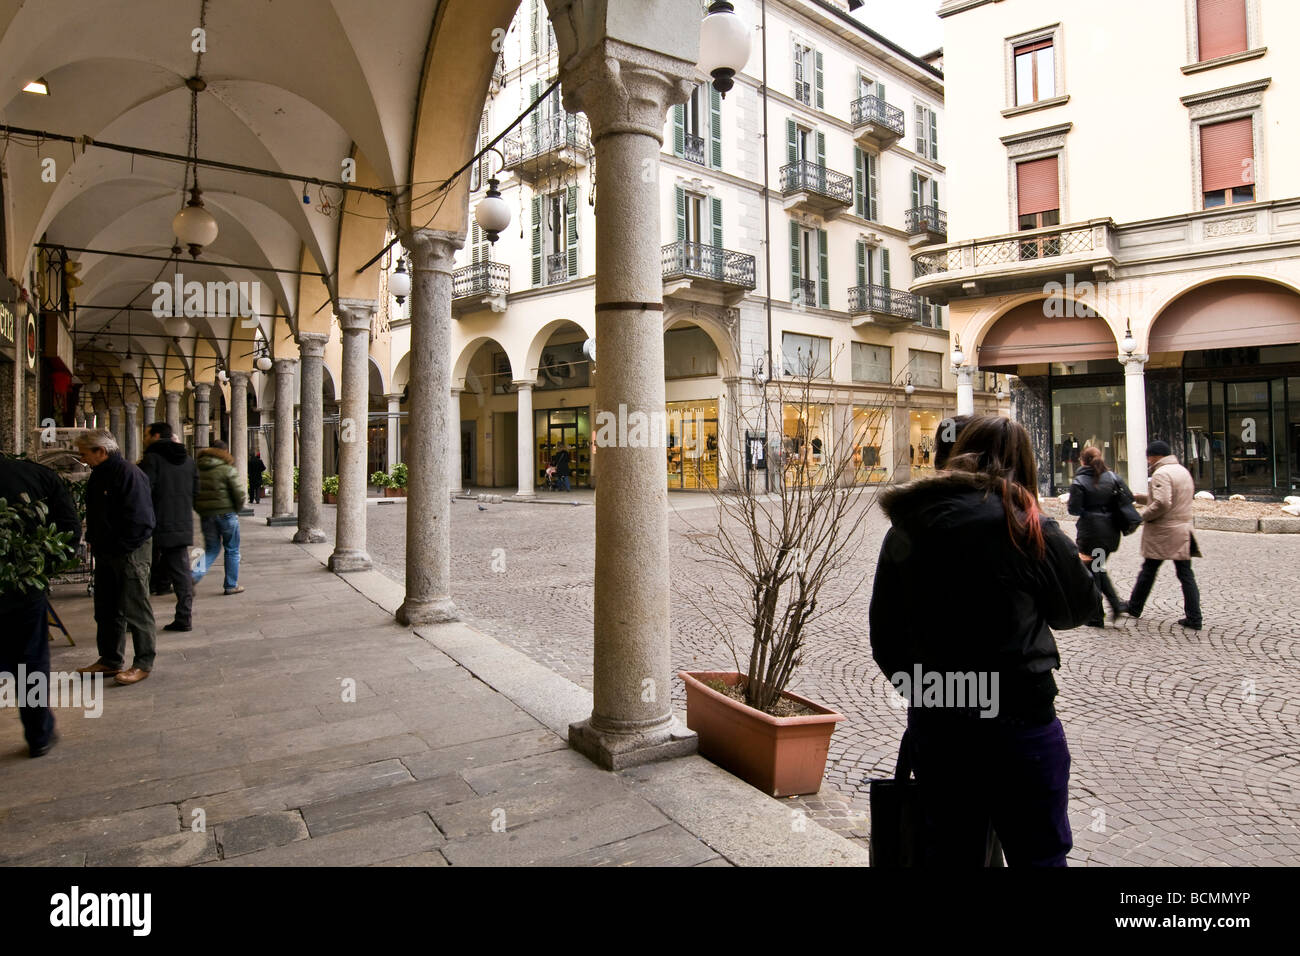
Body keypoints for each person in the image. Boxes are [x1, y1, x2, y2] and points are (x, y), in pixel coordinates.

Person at [870, 415, 1097, 866]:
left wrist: (933, 694)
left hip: (940, 725)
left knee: (951, 853)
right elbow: (1077, 610)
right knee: (1040, 855)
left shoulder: (910, 526)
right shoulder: (1029, 526)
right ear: (1022, 466)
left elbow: (886, 637)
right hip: (1022, 721)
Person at [0, 453, 81, 755]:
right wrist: (41, 570)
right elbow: (69, 529)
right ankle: (38, 733)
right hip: (23, 588)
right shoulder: (34, 476)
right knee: (30, 660)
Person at [74, 429, 157, 686]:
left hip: (129, 552)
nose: (82, 459)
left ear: (101, 451)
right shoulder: (100, 474)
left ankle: (143, 662)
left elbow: (143, 520)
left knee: (136, 607)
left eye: (84, 454)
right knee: (107, 608)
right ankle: (110, 659)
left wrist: (123, 547)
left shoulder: (128, 474)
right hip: (107, 551)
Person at [1126, 440, 1202, 630]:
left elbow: (1162, 503)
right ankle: (1194, 616)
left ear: (1155, 456)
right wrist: (1138, 497)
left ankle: (1134, 607)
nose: (1148, 461)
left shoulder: (1161, 473)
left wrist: (1142, 516)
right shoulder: (1182, 471)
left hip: (1164, 531)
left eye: (1149, 457)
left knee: (1149, 570)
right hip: (1182, 529)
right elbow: (1172, 498)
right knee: (1185, 574)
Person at [139, 422, 198, 631]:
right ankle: (182, 613)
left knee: (146, 570)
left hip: (156, 523)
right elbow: (196, 490)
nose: (143, 438)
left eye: (146, 434)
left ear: (155, 436)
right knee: (177, 569)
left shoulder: (151, 460)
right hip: (180, 521)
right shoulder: (188, 461)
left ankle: (137, 619)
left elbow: (142, 492)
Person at [1068, 446, 1132, 627]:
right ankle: (1114, 605)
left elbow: (1074, 509)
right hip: (1110, 531)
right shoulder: (1112, 477)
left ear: (1082, 461)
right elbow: (1128, 496)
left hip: (1092, 534)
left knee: (1094, 571)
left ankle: (1097, 615)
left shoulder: (1080, 481)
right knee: (1098, 568)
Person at [193, 439, 246, 595]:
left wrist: (200, 509)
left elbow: (193, 493)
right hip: (226, 513)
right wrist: (236, 509)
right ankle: (231, 585)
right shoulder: (226, 469)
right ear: (224, 452)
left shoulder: (198, 469)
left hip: (206, 515)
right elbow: (239, 493)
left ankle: (193, 576)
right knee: (232, 549)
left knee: (211, 549)